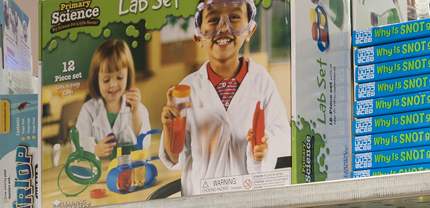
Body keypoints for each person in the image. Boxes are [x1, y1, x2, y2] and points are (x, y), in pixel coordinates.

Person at [158, 0, 291, 195]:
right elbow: (175, 157)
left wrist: (265, 144)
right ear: (198, 37)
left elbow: (283, 136)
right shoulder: (188, 89)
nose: (223, 28)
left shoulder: (261, 81)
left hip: (249, 198)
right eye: (213, 20)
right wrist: (170, 127)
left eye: (234, 17)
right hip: (201, 201)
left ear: (249, 31)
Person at [76, 39, 152, 159]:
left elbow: (144, 144)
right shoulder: (89, 110)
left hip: (128, 168)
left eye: (120, 77)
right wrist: (94, 150)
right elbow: (77, 146)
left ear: (128, 75)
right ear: (96, 79)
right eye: (106, 80)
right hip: (100, 169)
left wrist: (135, 112)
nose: (113, 85)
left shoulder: (138, 109)